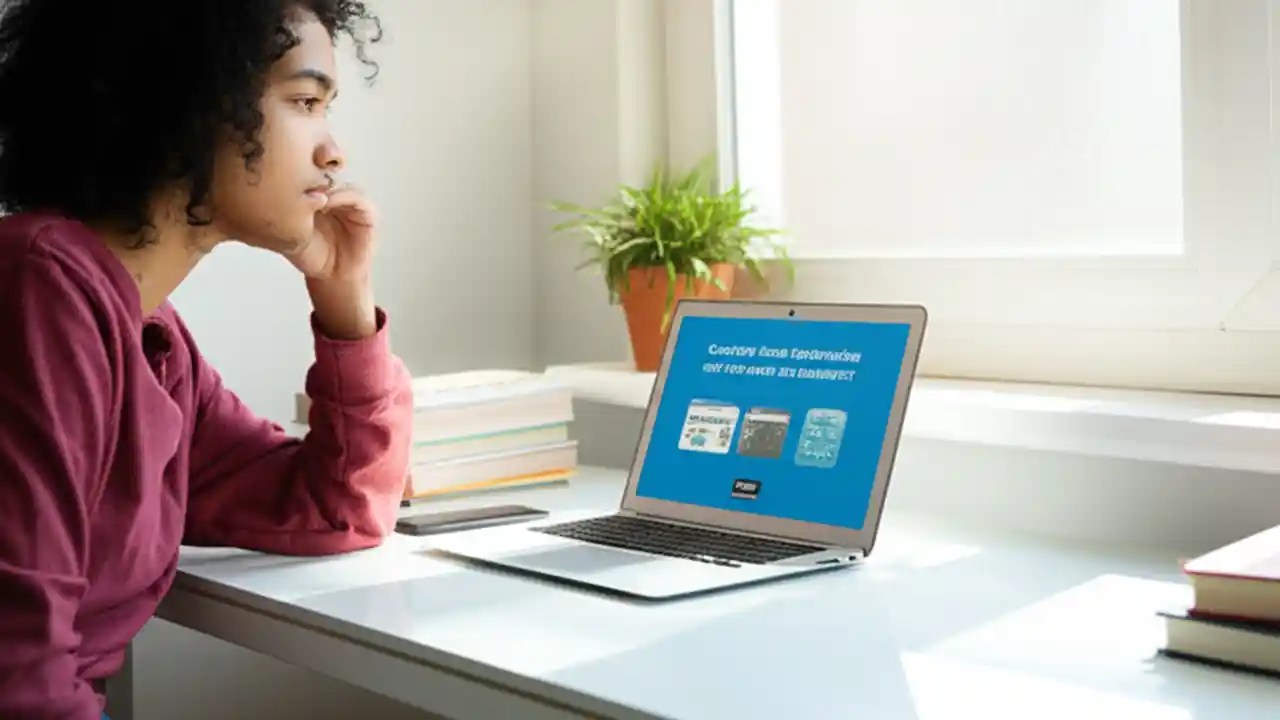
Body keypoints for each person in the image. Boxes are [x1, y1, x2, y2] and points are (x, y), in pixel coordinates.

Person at [0, 1, 413, 717]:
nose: (334, 152)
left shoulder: (152, 342)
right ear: (194, 102)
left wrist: (344, 299)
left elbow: (336, 508)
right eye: (305, 101)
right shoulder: (41, 289)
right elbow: (17, 678)